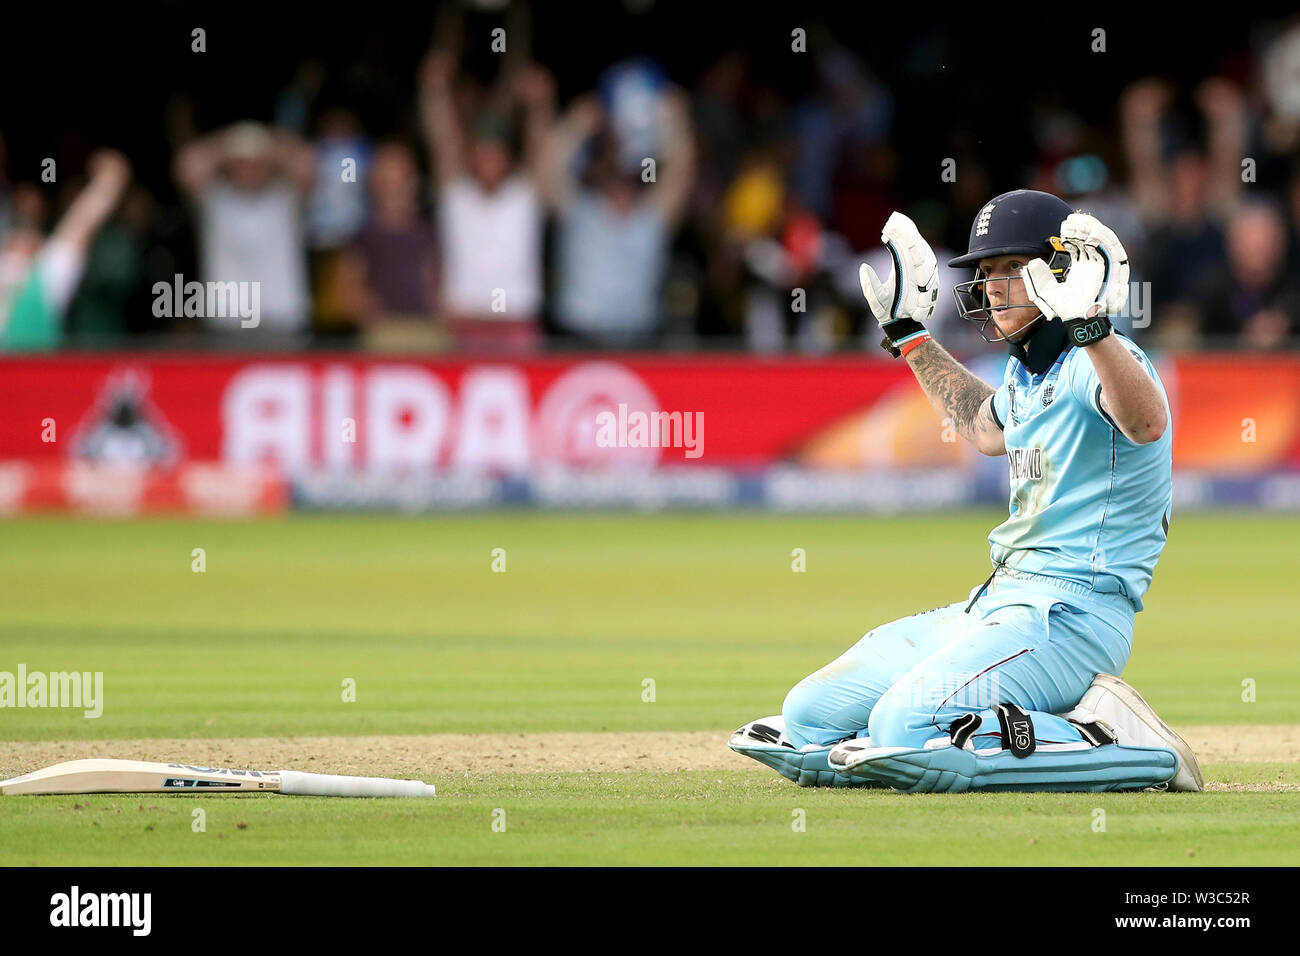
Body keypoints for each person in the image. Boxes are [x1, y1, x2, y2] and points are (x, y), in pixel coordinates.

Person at [730, 189, 1202, 793]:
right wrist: (909, 336)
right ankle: (952, 738)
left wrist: (1092, 327)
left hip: (1074, 617)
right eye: (987, 271)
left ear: (1062, 269)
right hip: (997, 604)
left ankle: (1116, 737)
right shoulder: (1027, 371)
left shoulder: (1097, 358)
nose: (994, 287)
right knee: (809, 716)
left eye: (1013, 268)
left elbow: (1148, 422)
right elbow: (984, 427)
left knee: (903, 726)